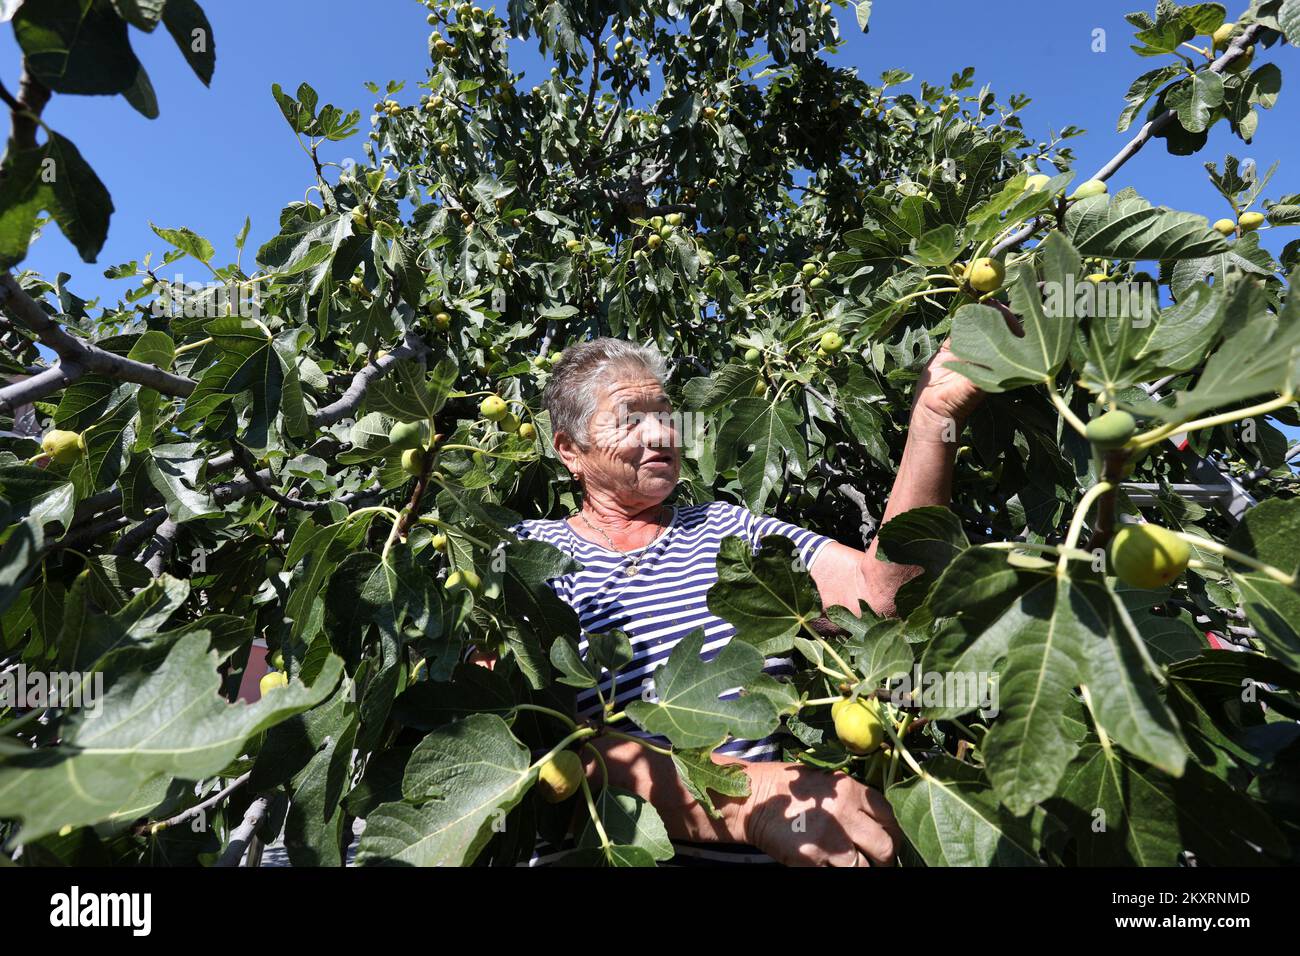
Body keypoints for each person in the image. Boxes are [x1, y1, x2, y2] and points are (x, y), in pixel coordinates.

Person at [491, 337, 982, 866]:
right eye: (631, 419)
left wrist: (932, 423)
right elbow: (525, 737)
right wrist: (755, 801)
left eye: (665, 415)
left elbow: (879, 595)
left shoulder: (729, 532)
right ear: (569, 449)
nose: (661, 434)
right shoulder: (523, 555)